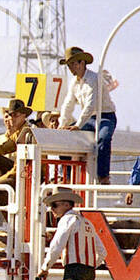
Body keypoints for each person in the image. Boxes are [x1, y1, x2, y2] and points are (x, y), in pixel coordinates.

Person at [57, 45, 117, 184]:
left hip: (106, 116)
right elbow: (68, 103)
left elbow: (91, 104)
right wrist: (62, 124)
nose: (71, 67)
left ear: (82, 63)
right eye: (69, 64)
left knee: (103, 138)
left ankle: (103, 176)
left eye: (73, 63)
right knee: (65, 136)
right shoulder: (74, 83)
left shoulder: (94, 79)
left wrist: (78, 125)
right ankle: (66, 176)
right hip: (90, 118)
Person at [0, 99, 36, 191]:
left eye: (16, 115)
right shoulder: (20, 133)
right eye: (10, 115)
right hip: (24, 173)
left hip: (29, 174)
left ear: (24, 116)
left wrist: (5, 177)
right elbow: (5, 147)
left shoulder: (27, 133)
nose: (12, 118)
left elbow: (19, 167)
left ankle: (5, 202)